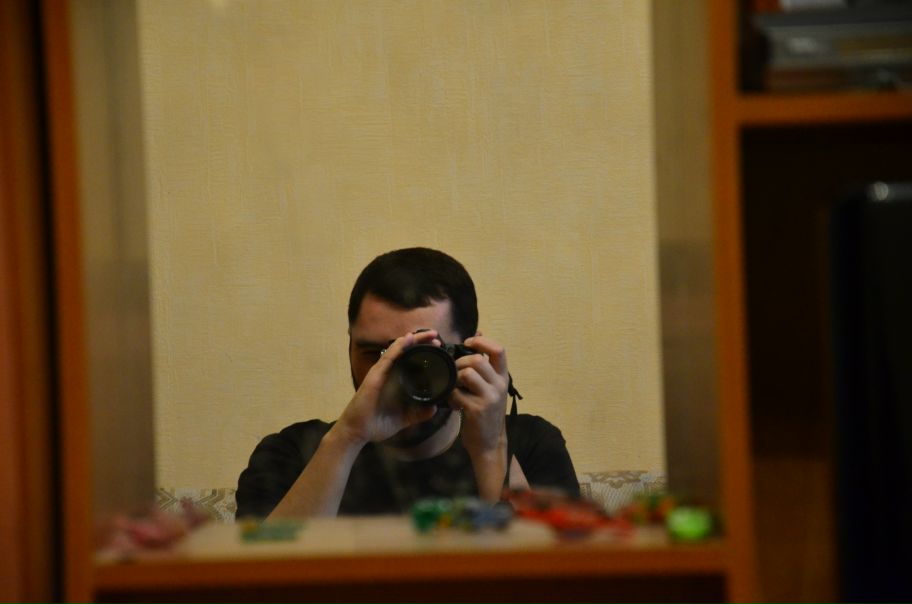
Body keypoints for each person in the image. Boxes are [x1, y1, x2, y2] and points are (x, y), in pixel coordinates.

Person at [236, 247, 578, 518]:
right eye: (376, 353)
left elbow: (552, 578)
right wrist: (347, 438)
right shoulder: (291, 454)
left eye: (423, 355)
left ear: (471, 351)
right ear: (349, 347)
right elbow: (262, 577)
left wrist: (490, 451)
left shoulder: (531, 445)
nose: (396, 371)